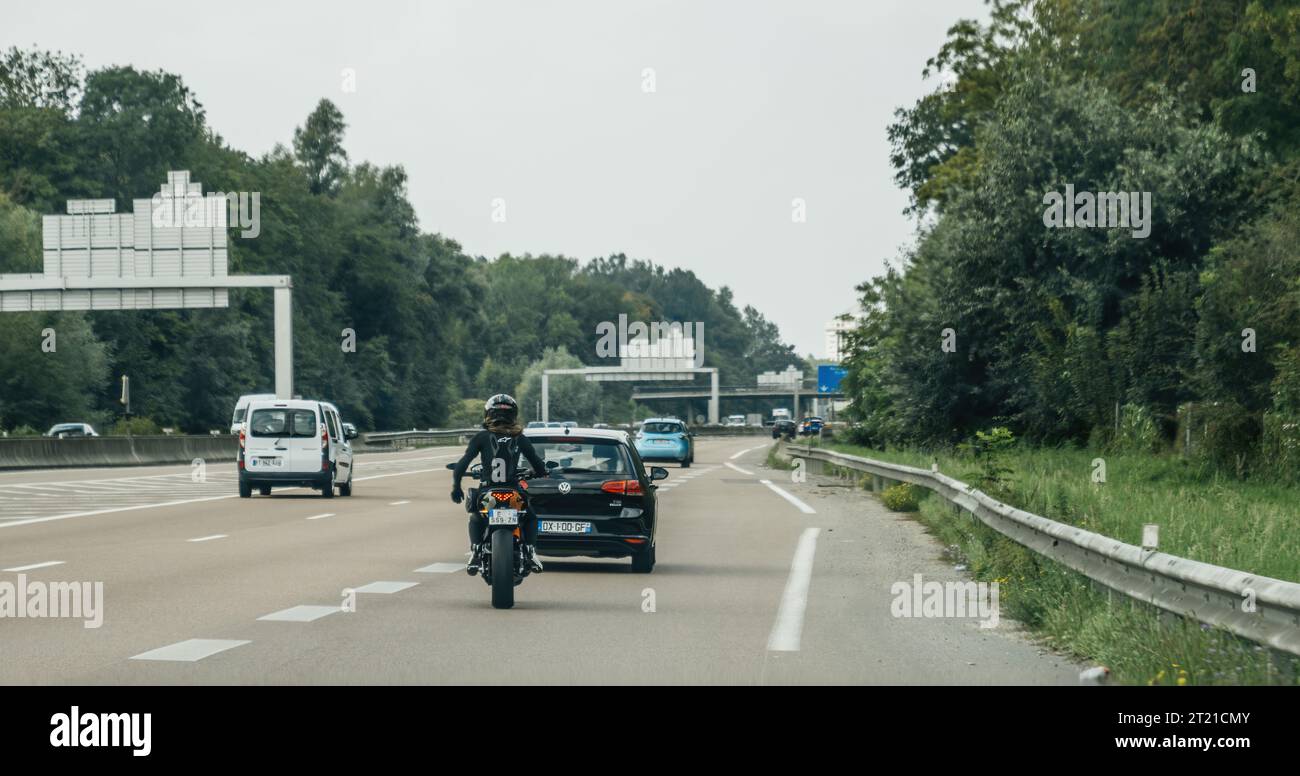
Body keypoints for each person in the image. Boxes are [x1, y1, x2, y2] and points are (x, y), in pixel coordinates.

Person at [451, 394, 549, 575]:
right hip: (513, 493)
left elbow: (462, 465)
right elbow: (537, 464)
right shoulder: (520, 438)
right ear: (514, 415)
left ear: (488, 414)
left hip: (488, 493)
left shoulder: (481, 437)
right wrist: (542, 472)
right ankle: (530, 551)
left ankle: (476, 551)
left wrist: (456, 487)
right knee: (531, 517)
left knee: (476, 516)